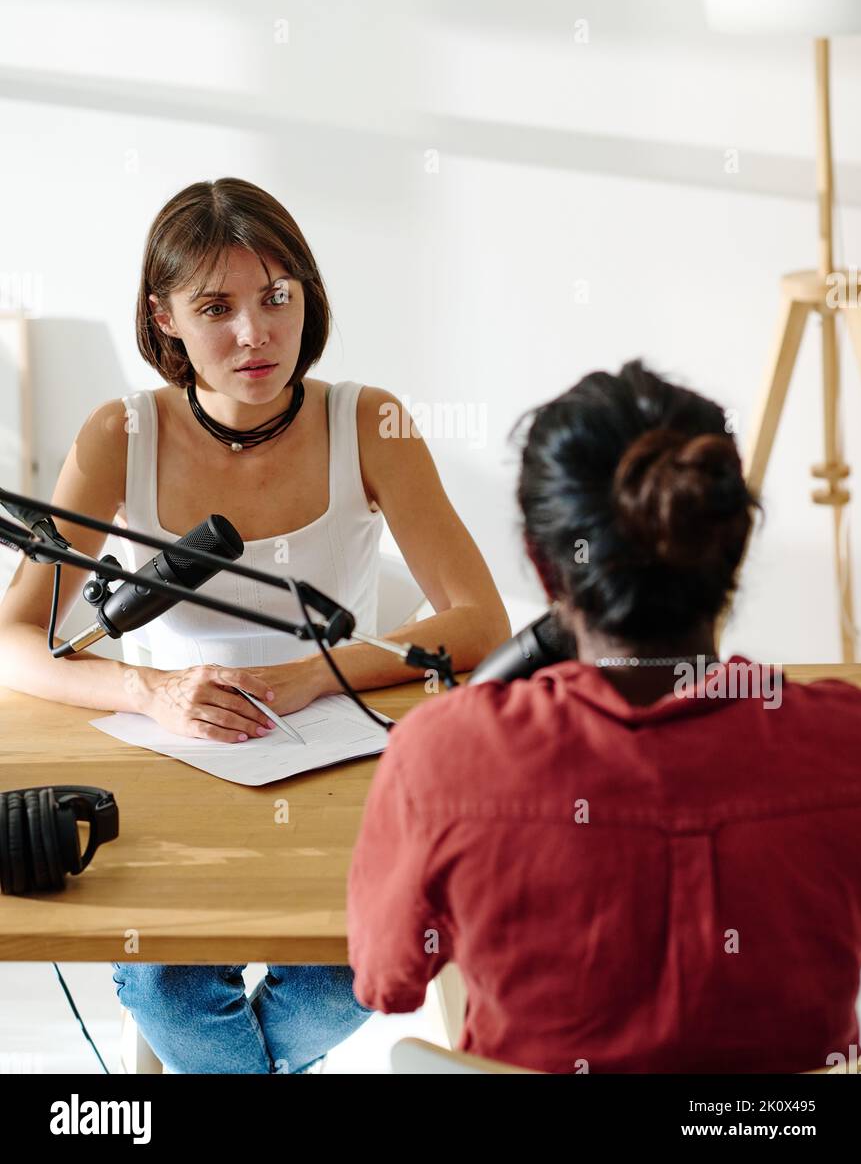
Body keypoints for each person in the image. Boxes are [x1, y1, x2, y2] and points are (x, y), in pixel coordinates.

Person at [0, 177, 510, 1073]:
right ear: (164, 318)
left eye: (277, 297)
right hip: (177, 772)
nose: (254, 333)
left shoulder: (371, 422)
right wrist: (149, 690)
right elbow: (9, 636)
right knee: (163, 984)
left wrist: (317, 672)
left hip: (339, 766)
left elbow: (479, 621)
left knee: (363, 958)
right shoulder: (121, 434)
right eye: (216, 307)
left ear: (308, 295)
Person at [347, 358, 861, 1074]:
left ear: (540, 560)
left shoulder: (441, 756)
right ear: (735, 548)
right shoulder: (849, 747)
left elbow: (385, 979)